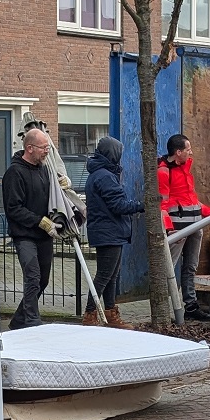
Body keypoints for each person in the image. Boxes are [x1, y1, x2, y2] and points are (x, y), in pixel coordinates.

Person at [83, 135, 141, 327]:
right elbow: (118, 205)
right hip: (109, 232)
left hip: (108, 231)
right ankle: (90, 314)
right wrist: (141, 205)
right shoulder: (105, 176)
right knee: (104, 276)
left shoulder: (100, 173)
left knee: (110, 276)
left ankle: (110, 313)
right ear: (113, 154)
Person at [3, 128, 58, 330]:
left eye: (47, 148)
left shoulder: (43, 169)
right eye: (44, 148)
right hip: (25, 235)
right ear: (30, 148)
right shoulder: (14, 173)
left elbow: (51, 195)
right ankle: (32, 323)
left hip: (44, 235)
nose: (47, 152)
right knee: (32, 276)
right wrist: (40, 221)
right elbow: (13, 209)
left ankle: (19, 320)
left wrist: (61, 187)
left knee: (43, 280)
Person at [157, 134, 210, 319]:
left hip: (196, 225)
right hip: (177, 230)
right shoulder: (164, 172)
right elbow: (162, 205)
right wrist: (169, 229)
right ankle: (165, 308)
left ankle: (190, 306)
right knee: (169, 267)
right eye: (188, 149)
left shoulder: (185, 169)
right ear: (178, 152)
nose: (191, 152)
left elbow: (192, 202)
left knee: (190, 267)